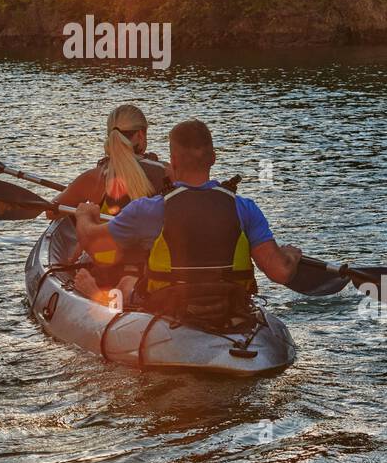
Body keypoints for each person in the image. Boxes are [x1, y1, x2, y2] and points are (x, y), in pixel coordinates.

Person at [73, 118, 301, 318]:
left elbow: (93, 243)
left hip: (169, 304)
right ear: (213, 158)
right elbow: (280, 272)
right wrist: (290, 255)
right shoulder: (244, 207)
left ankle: (93, 292)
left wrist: (85, 216)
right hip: (229, 303)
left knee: (125, 282)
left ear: (173, 162)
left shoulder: (147, 210)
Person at [49, 104, 169, 285]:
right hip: (152, 271)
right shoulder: (167, 172)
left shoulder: (94, 178)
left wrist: (84, 213)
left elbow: (51, 211)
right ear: (141, 135)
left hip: (108, 272)